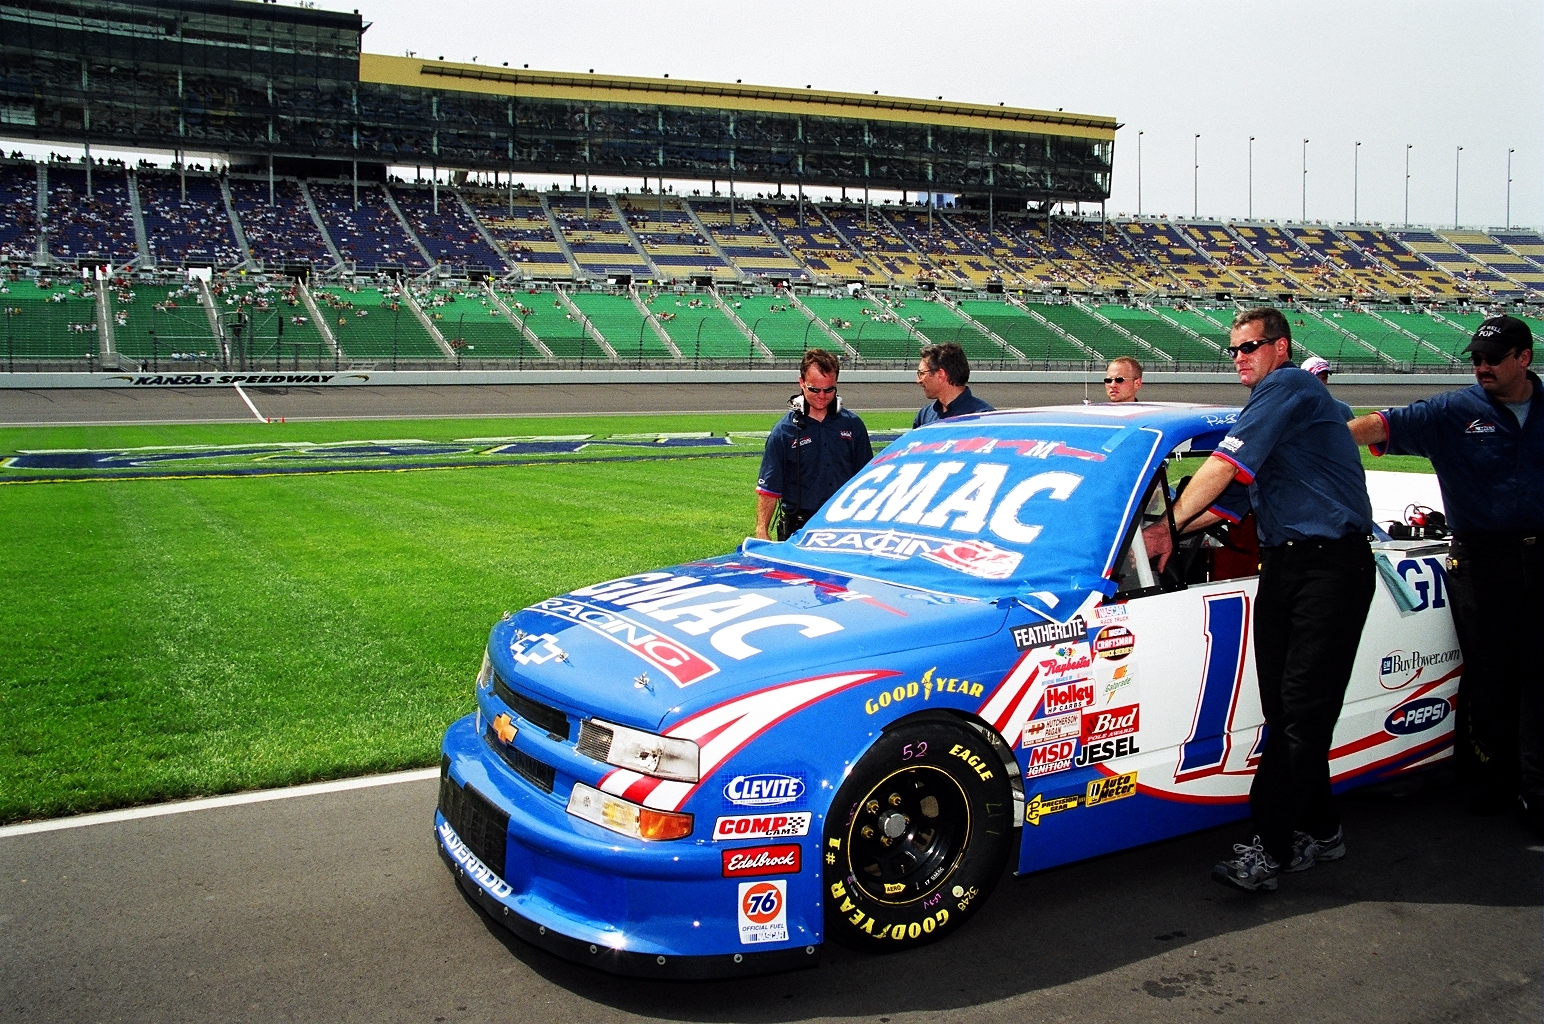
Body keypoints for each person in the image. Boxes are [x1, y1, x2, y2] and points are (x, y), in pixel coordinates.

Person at [1145, 307, 1376, 891]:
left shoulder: (1289, 385)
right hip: (1287, 566)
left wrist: (1167, 525)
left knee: (1299, 713)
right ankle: (1322, 830)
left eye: (1249, 346)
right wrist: (1160, 535)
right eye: (1233, 350)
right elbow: (1229, 503)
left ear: (1281, 348)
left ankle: (1270, 846)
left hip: (1330, 566)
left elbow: (1223, 467)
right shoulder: (1274, 408)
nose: (1239, 358)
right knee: (1288, 713)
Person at [1347, 315, 1542, 836]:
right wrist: (1324, 441)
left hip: (1542, 557)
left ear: (1523, 358)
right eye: (1475, 359)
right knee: (1492, 677)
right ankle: (1500, 780)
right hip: (1482, 561)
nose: (1481, 367)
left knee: (1541, 677)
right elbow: (1382, 424)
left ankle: (1538, 790)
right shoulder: (1454, 410)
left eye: (1492, 359)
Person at [755, 349, 873, 541]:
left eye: (829, 390)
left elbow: (867, 481)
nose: (822, 396)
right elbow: (769, 488)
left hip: (846, 529)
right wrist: (762, 531)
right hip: (799, 531)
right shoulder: (784, 432)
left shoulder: (853, 425)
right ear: (801, 383)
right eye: (815, 389)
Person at [913, 342, 993, 427]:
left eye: (921, 373)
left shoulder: (983, 418)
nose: (918, 380)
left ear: (940, 375)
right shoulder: (924, 415)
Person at [1302, 355, 1354, 421]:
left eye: (1324, 378)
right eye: (1316, 378)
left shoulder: (1343, 410)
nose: (1321, 383)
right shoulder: (1295, 409)